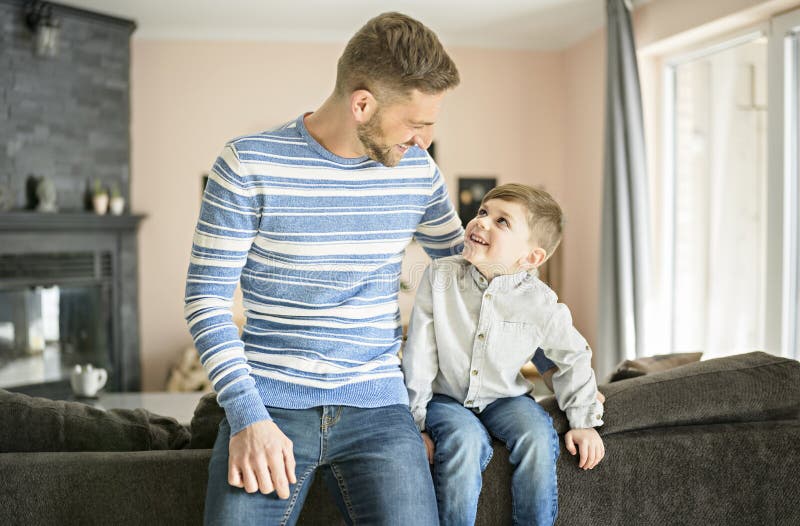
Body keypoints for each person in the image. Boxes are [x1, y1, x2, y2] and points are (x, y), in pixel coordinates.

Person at [184, 12, 463, 525]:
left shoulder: (418, 172)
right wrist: (247, 418)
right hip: (268, 403)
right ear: (362, 104)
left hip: (379, 407)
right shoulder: (248, 164)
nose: (424, 140)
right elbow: (206, 301)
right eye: (416, 123)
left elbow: (468, 273)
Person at [402, 183, 606, 526]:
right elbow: (419, 355)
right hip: (446, 398)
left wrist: (584, 419)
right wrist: (415, 424)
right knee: (465, 441)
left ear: (531, 258)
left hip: (505, 398)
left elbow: (569, 356)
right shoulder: (440, 277)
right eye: (483, 212)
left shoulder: (540, 302)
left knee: (539, 435)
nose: (482, 222)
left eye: (502, 222)